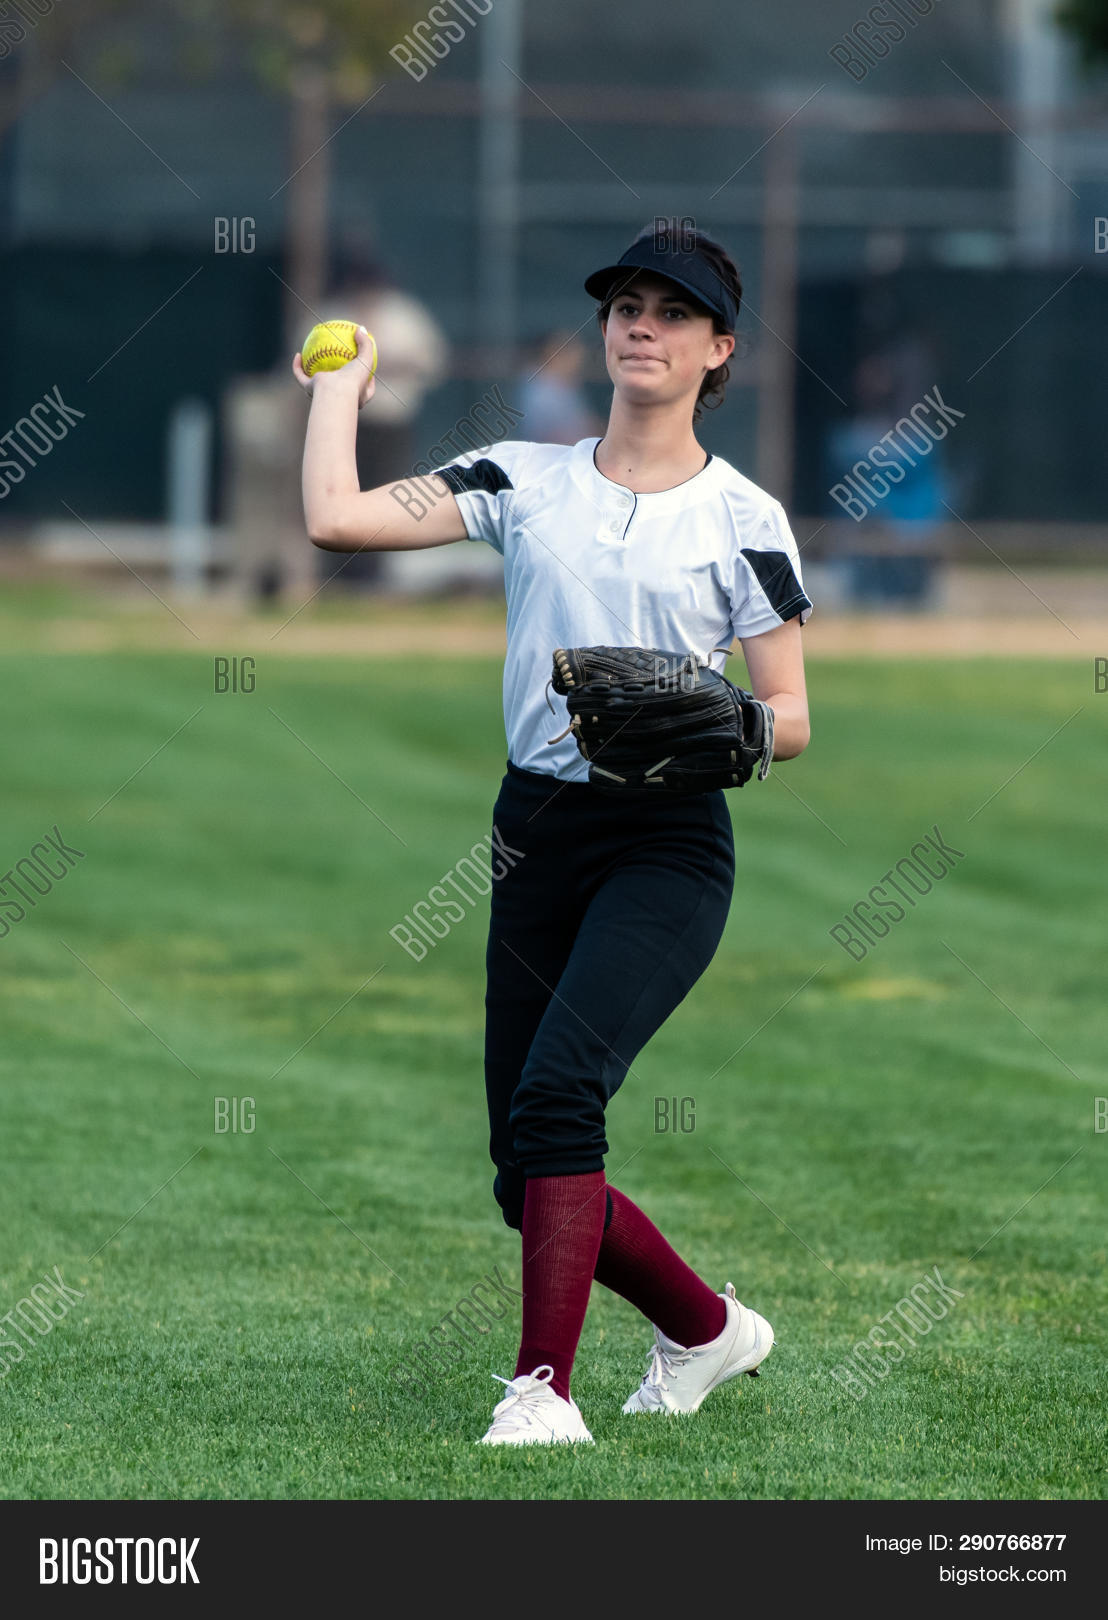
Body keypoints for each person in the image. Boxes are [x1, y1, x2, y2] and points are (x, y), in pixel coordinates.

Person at [292, 223, 812, 1445]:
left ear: (719, 350)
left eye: (673, 313)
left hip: (666, 842)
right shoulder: (521, 477)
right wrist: (338, 390)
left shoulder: (744, 516)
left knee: (561, 1096)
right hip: (533, 832)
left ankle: (543, 1392)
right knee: (521, 1175)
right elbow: (337, 521)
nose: (642, 326)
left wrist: (722, 719)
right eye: (627, 306)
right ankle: (706, 1330)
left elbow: (791, 718)